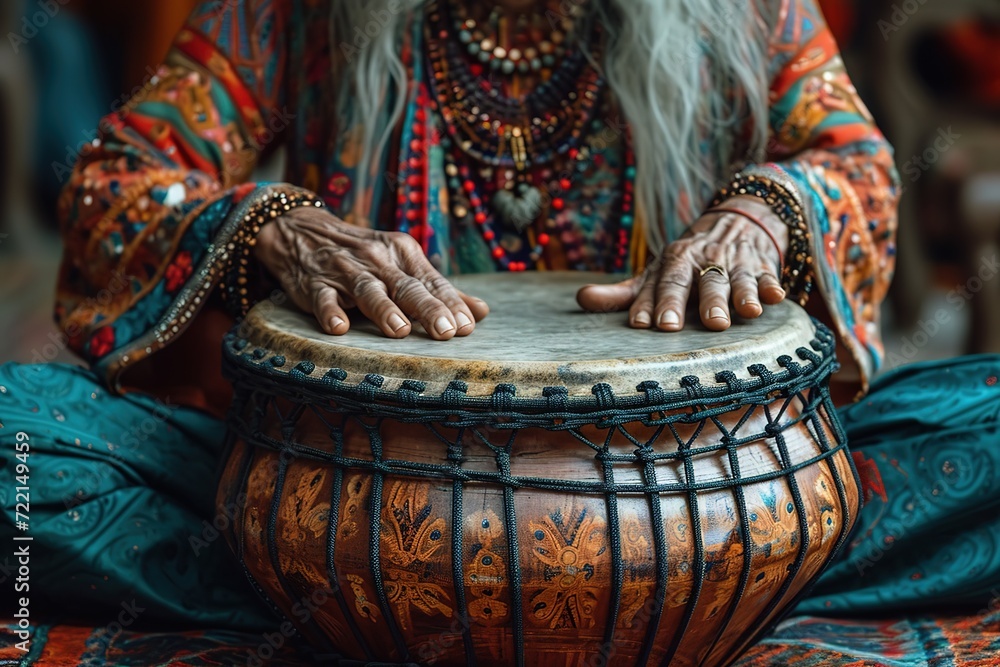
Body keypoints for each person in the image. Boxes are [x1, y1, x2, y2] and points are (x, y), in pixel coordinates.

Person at [1, 0, 998, 647]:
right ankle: (711, 593)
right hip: (357, 478)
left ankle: (338, 605)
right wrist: (272, 228)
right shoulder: (293, 11)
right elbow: (117, 179)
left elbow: (855, 163)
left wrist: (765, 211)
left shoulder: (749, 10)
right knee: (17, 441)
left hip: (693, 477)